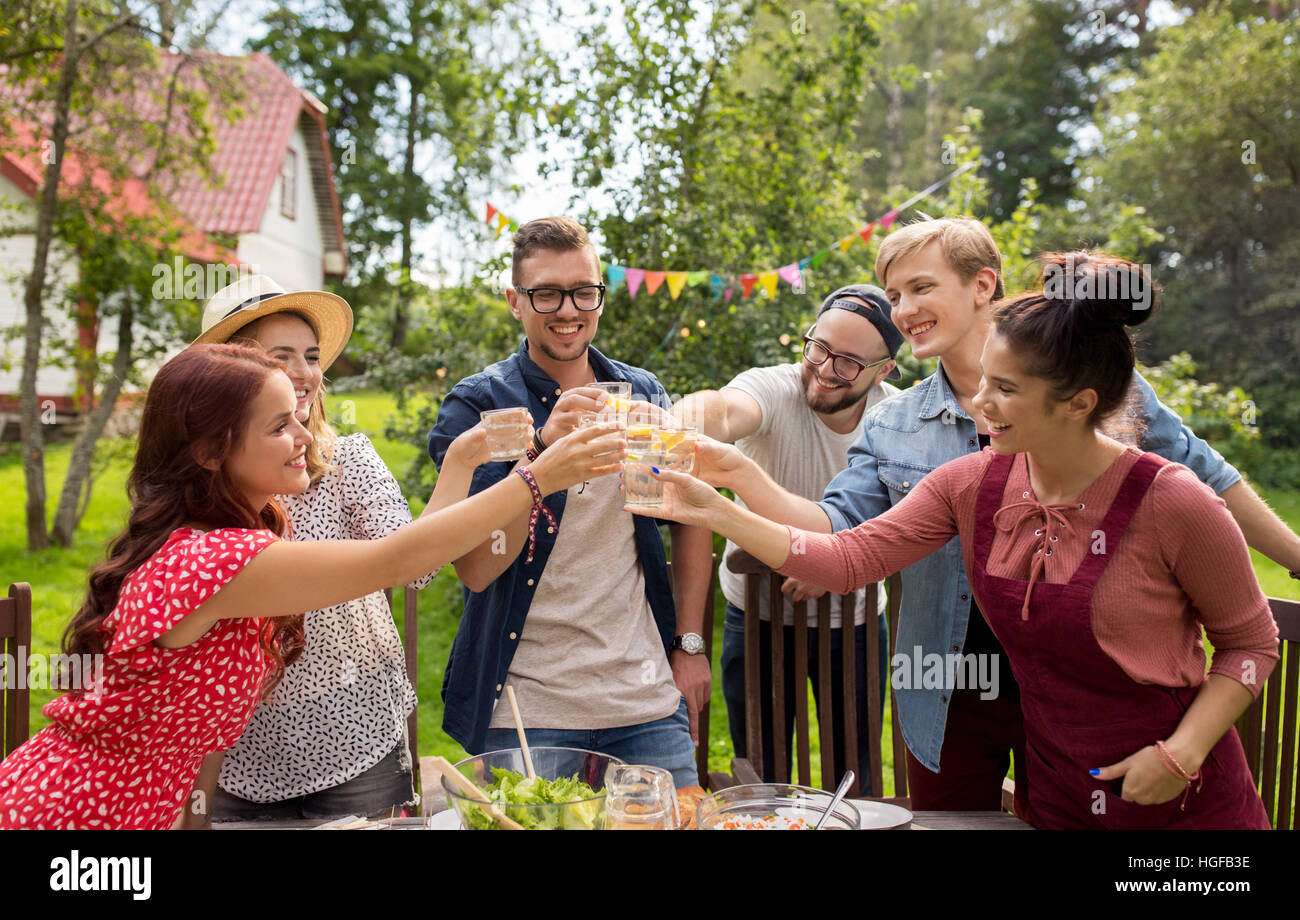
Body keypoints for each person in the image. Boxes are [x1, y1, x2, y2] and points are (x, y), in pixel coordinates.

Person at [634, 258, 1278, 828]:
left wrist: (1181, 753)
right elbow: (848, 558)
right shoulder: (970, 484)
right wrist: (718, 501)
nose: (977, 405)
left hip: (1185, 807)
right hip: (1057, 801)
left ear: (1078, 403)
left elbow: (1252, 643)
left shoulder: (1174, 500)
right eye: (981, 383)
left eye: (1004, 390)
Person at [0, 343, 620, 829]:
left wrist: (467, 463)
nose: (304, 437)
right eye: (278, 427)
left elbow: (406, 557)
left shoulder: (234, 537)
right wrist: (537, 478)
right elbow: (394, 562)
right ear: (211, 452)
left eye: (299, 418)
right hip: (73, 812)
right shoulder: (212, 560)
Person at [427, 217, 712, 788]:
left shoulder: (642, 394)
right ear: (515, 301)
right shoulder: (481, 407)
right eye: (546, 294)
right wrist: (541, 453)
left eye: (584, 291)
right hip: (528, 714)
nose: (568, 309)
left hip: (645, 702)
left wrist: (689, 644)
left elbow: (687, 515)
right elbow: (479, 569)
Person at [187, 274, 440, 821]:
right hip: (235, 752)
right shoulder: (198, 496)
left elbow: (414, 567)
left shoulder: (345, 459)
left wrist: (473, 466)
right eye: (281, 358)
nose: (303, 374)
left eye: (311, 355)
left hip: (356, 739)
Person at [673, 284, 900, 787]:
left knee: (855, 771)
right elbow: (726, 410)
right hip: (756, 619)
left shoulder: (896, 419)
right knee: (760, 770)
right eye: (818, 348)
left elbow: (909, 523)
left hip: (856, 625)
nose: (823, 369)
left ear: (884, 370)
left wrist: (832, 566)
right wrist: (682, 419)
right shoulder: (775, 386)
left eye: (847, 363)